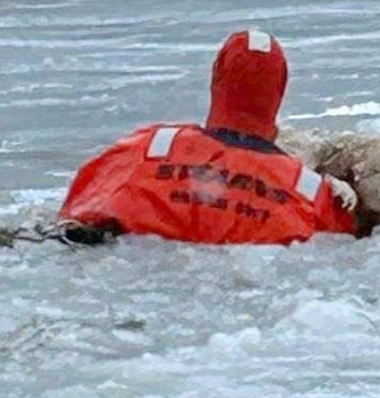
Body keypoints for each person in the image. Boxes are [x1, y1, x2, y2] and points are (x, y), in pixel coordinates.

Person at [59, 29, 357, 246]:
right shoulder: (307, 190)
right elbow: (347, 238)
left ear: (216, 78)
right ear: (280, 91)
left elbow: (83, 200)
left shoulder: (150, 147)